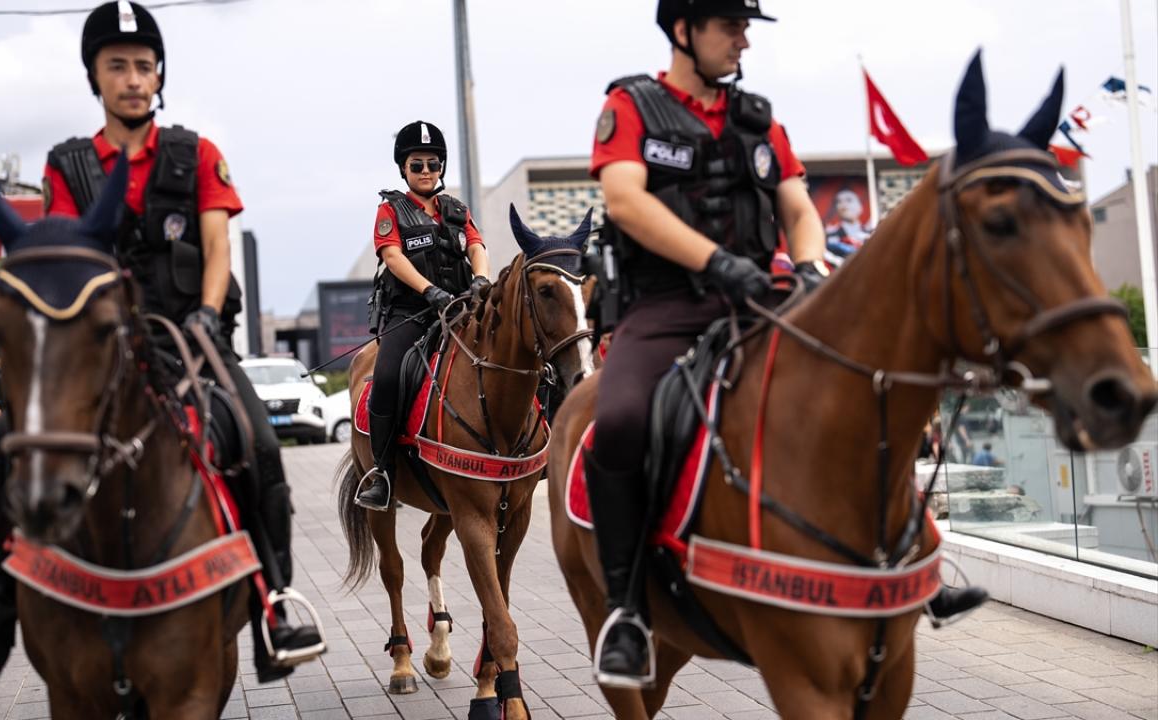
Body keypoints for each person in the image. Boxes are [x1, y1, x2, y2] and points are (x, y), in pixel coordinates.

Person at [0, 1, 321, 683]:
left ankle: (275, 598)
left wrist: (210, 315)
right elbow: (60, 263)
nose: (133, 78)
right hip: (97, 339)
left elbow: (217, 247)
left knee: (257, 438)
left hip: (190, 332)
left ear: (158, 74)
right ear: (95, 77)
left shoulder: (198, 154)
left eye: (143, 65)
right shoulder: (67, 165)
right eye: (117, 66)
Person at [585, 0, 985, 688]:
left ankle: (919, 561)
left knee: (871, 390)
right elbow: (625, 202)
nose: (744, 39)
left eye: (746, 27)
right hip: (668, 307)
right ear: (684, 30)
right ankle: (626, 610)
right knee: (617, 422)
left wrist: (807, 269)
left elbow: (798, 208)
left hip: (763, 298)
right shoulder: (631, 107)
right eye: (730, 26)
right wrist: (714, 262)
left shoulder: (759, 117)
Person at [354, 120, 490, 511]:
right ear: (404, 169)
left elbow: (477, 245)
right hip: (411, 313)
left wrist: (481, 279)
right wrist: (429, 290)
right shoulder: (390, 209)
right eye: (418, 165)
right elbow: (392, 256)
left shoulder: (456, 209)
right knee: (388, 376)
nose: (426, 172)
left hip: (460, 309)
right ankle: (380, 471)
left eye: (433, 164)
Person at [823, 187, 873, 266]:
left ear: (860, 207)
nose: (844, 205)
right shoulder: (829, 235)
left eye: (849, 200)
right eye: (839, 202)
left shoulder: (871, 234)